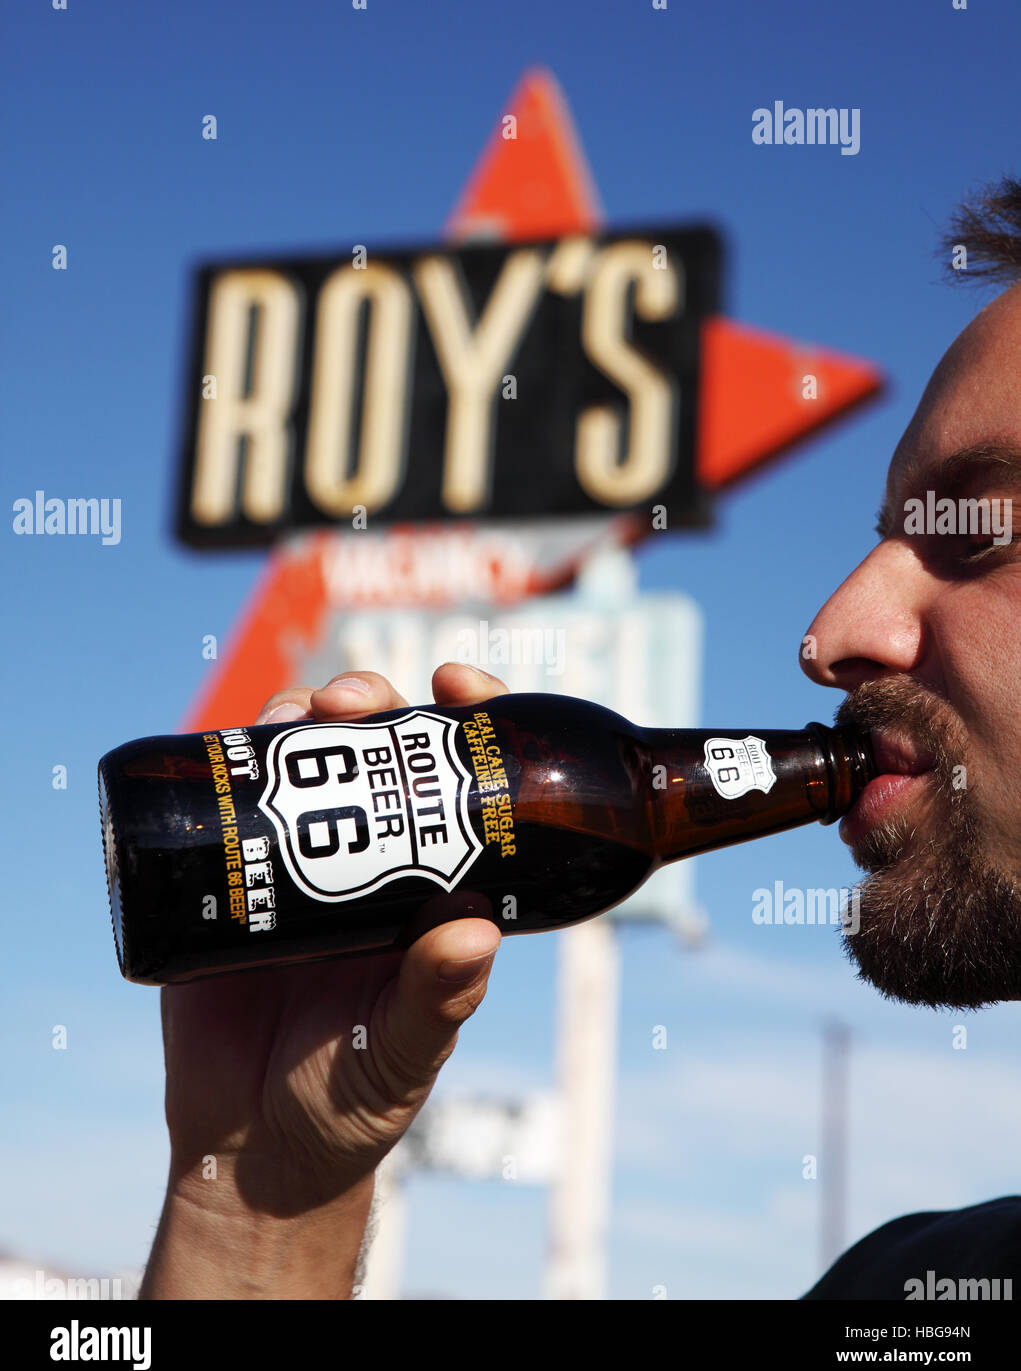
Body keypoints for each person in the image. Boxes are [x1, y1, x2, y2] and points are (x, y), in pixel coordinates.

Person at [141, 176, 1021, 1300]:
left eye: (977, 529)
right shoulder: (909, 1298)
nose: (830, 634)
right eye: (887, 535)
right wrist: (261, 1206)